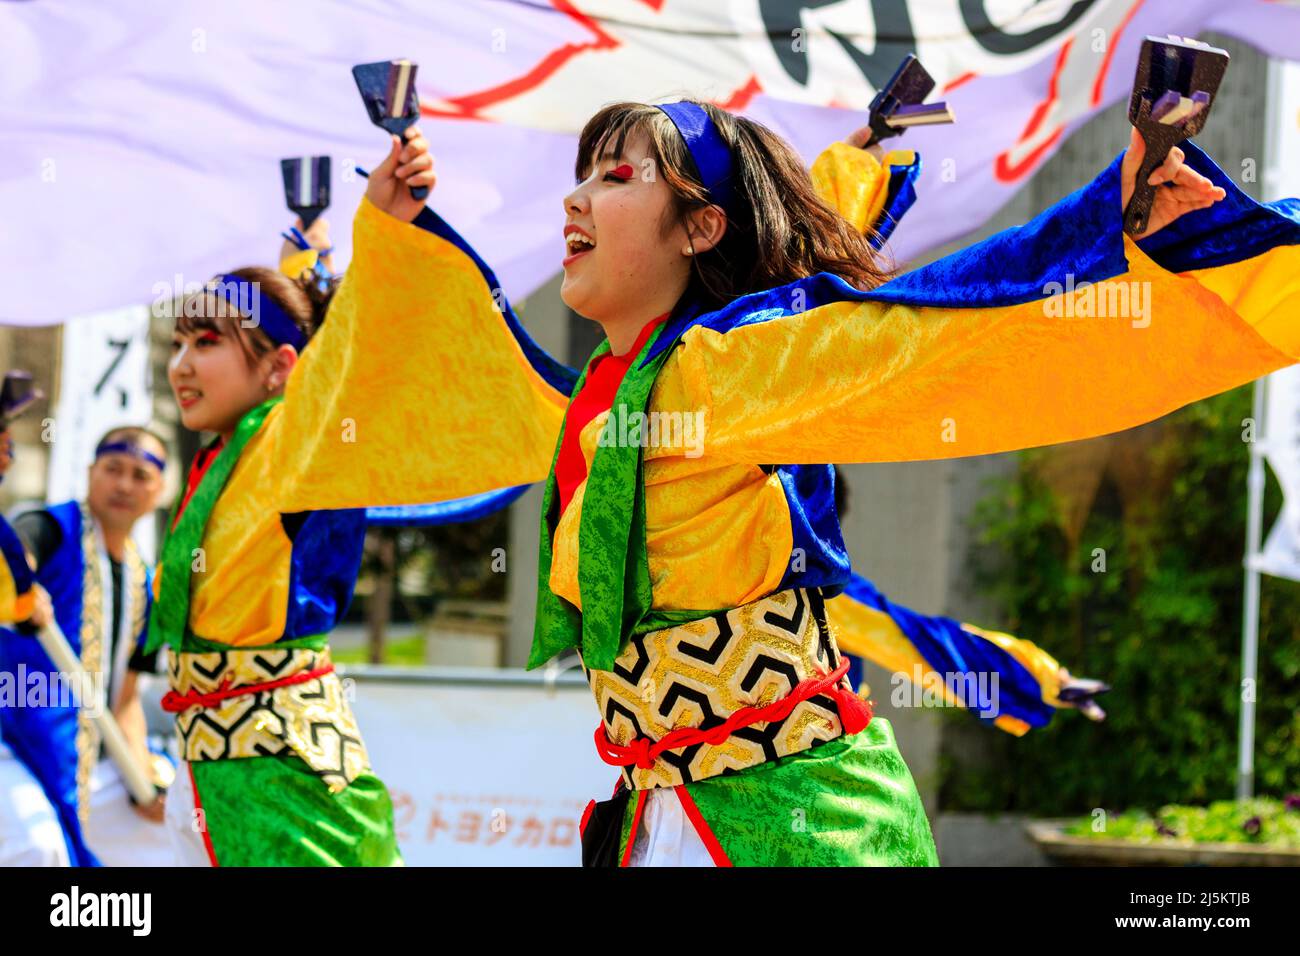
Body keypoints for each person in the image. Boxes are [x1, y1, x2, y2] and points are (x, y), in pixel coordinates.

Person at [289, 98, 1299, 865]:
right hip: (663, 814)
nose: (575, 196)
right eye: (582, 175)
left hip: (801, 818)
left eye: (616, 175)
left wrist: (1108, 224)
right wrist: (380, 239)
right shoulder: (605, 399)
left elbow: (903, 336)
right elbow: (405, 372)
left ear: (699, 231)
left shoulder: (716, 366)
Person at [0, 426, 174, 866]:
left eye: (140, 474)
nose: (123, 484)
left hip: (92, 760)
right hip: (14, 743)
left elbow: (127, 699)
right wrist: (18, 586)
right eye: (113, 469)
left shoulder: (145, 584)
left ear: (160, 490)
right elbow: (17, 558)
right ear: (91, 472)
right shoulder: (51, 528)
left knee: (183, 832)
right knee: (37, 848)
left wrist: (144, 782)